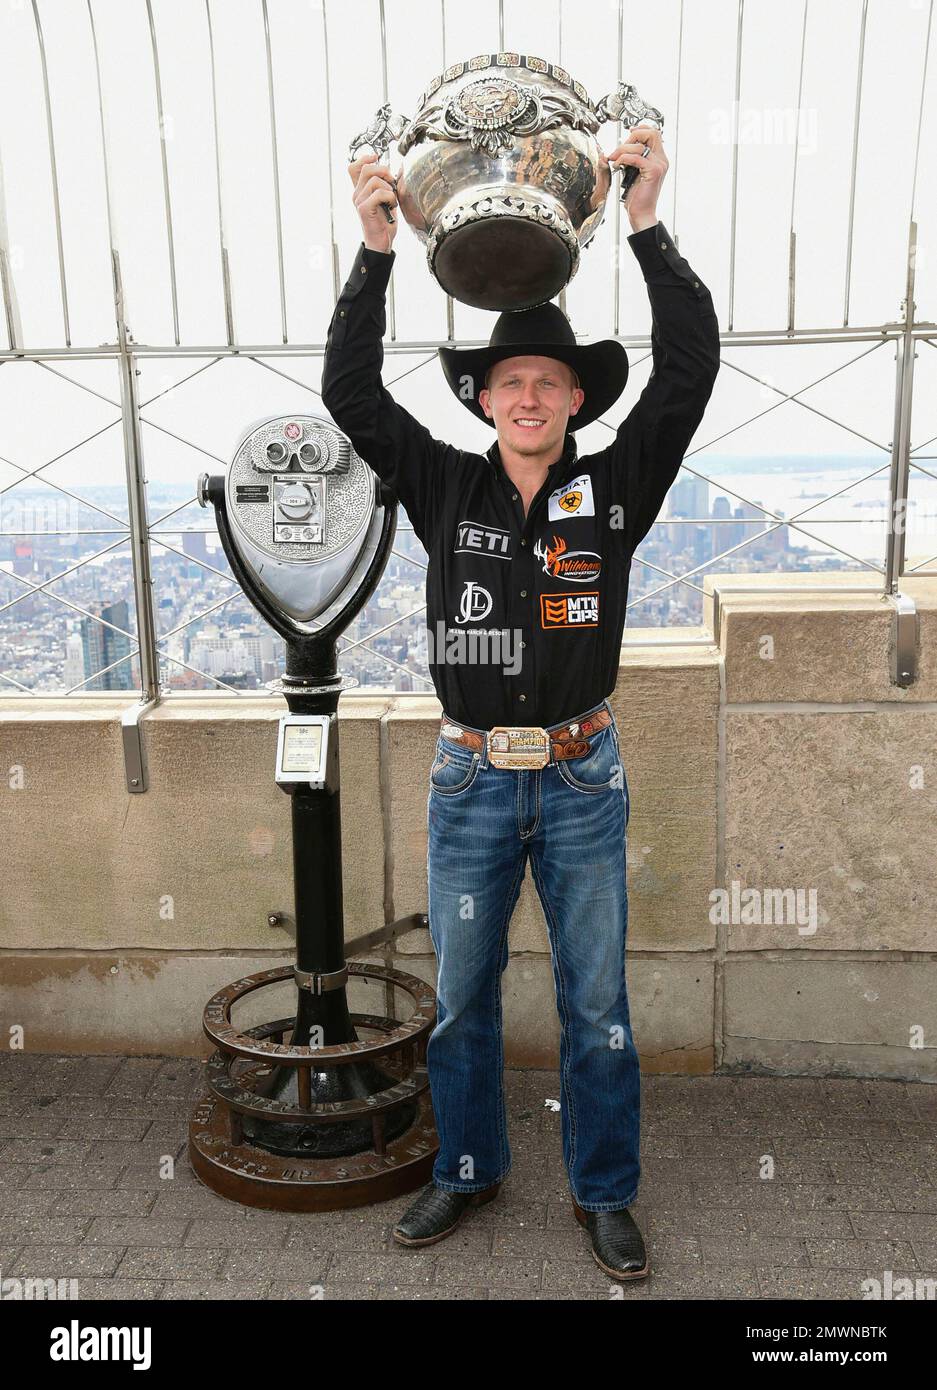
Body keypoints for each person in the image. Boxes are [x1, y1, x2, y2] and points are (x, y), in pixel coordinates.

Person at [321, 126, 719, 1281]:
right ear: (484, 396)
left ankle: (603, 1192)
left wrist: (646, 225)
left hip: (585, 775)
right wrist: (375, 250)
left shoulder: (617, 484)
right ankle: (467, 1170)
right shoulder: (441, 479)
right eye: (509, 381)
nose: (528, 395)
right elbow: (348, 390)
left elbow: (689, 368)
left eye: (549, 380)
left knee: (597, 1000)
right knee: (460, 1001)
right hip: (469, 777)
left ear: (576, 394)